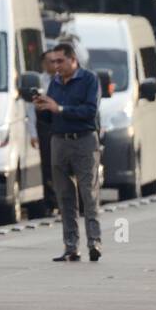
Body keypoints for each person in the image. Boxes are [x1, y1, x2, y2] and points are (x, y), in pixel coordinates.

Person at [35, 42, 102, 262]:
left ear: (73, 60)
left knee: (88, 193)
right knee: (64, 195)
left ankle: (94, 243)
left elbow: (90, 111)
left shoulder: (89, 79)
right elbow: (49, 118)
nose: (55, 65)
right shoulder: (55, 83)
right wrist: (42, 108)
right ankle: (71, 246)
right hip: (59, 141)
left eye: (60, 61)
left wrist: (60, 108)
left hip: (83, 141)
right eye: (53, 61)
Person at [36, 50, 58, 216]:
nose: (53, 64)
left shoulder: (63, 80)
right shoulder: (39, 81)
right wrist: (32, 132)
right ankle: (51, 203)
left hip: (61, 123)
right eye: (49, 61)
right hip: (44, 125)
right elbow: (31, 108)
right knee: (47, 165)